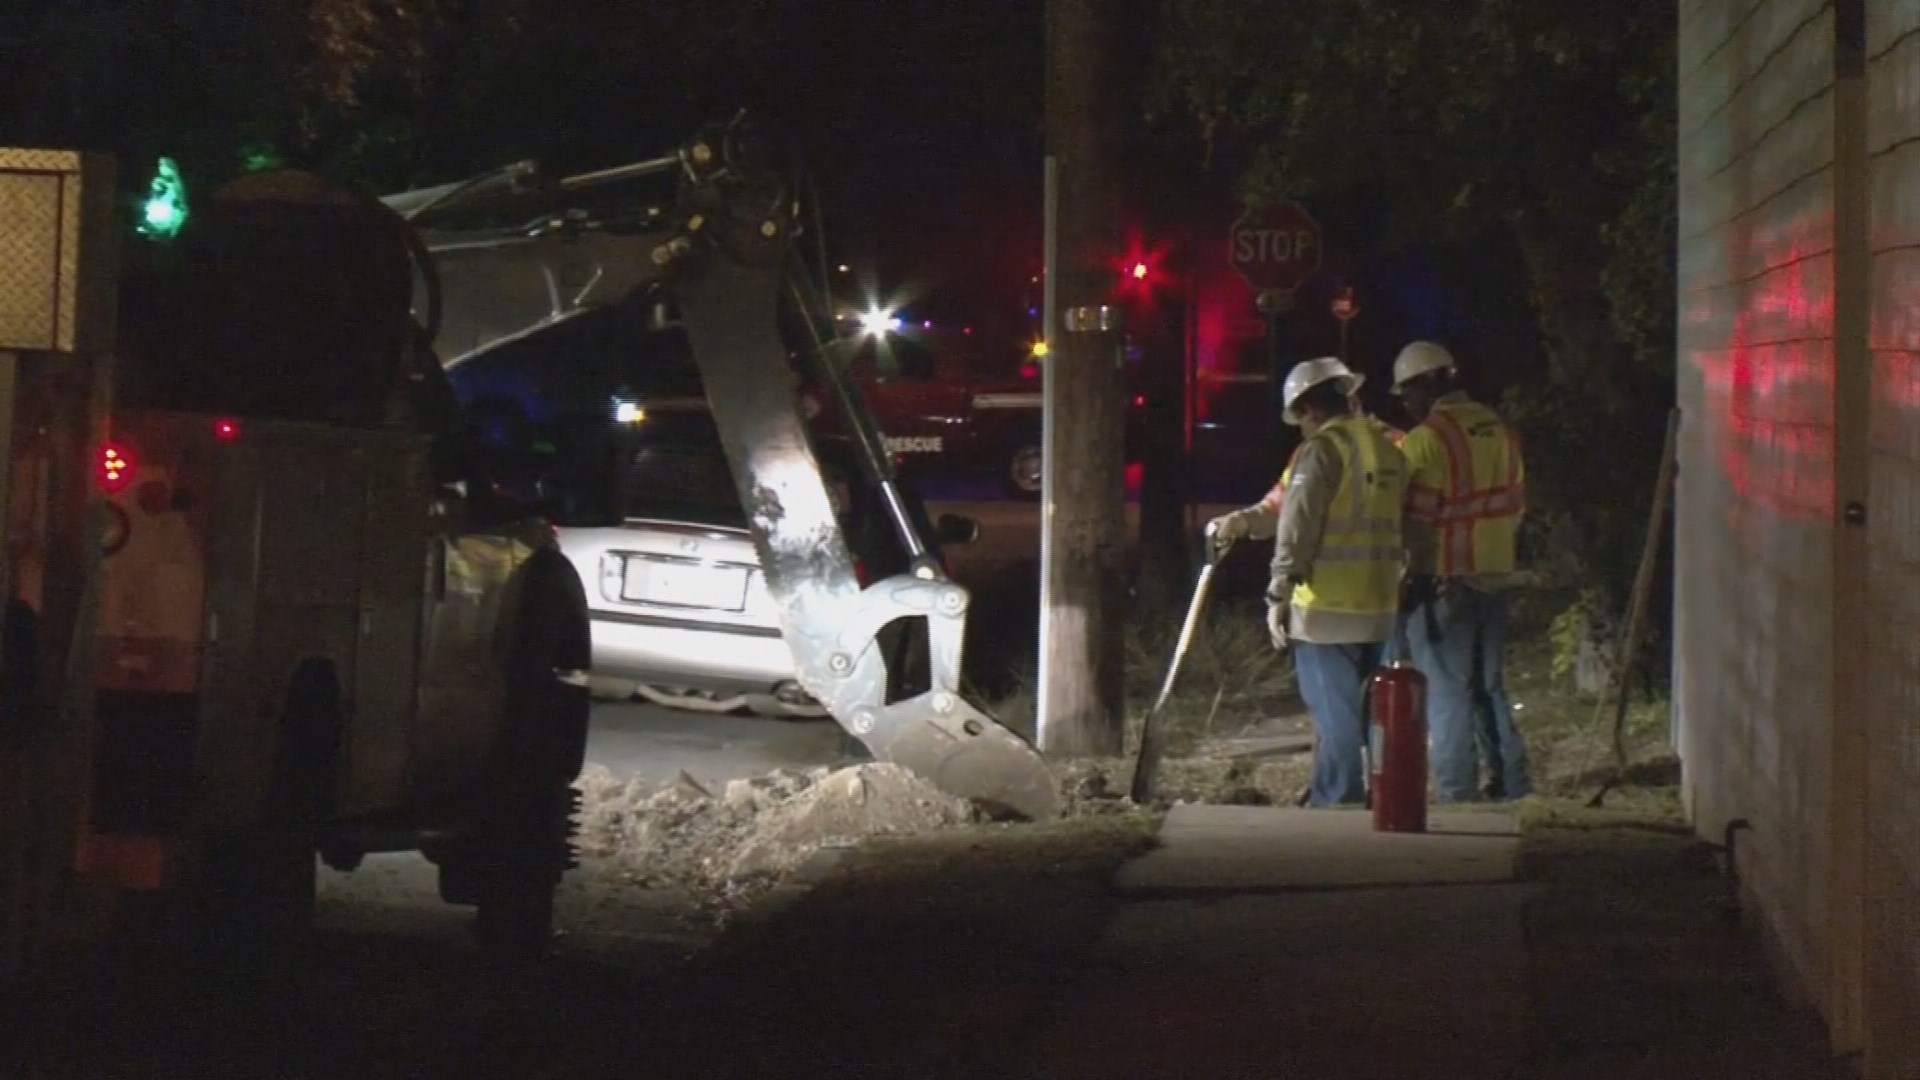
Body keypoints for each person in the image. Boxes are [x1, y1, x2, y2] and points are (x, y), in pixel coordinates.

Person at [1253, 357, 1415, 807]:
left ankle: (1339, 797)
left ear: (1309, 408)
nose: (1299, 427)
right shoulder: (1388, 450)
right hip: (1379, 603)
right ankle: (1351, 791)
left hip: (1326, 607)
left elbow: (1298, 525)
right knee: (1364, 713)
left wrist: (1280, 588)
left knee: (1334, 713)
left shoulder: (1321, 451)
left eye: (1299, 416)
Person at [1391, 340, 1531, 802]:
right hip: (1496, 575)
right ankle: (1513, 785)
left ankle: (1457, 791)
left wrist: (1403, 580)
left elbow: (1415, 525)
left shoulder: (1426, 440)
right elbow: (1515, 506)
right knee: (1489, 684)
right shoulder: (1501, 430)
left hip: (1444, 581)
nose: (1406, 405)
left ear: (1425, 387)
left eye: (1407, 394)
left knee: (1446, 689)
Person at [1206, 385, 1403, 553]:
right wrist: (1242, 521)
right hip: (1382, 584)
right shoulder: (1399, 445)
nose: (1301, 429)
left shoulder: (1316, 452)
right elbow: (1278, 506)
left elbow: (1287, 515)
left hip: (1333, 585)